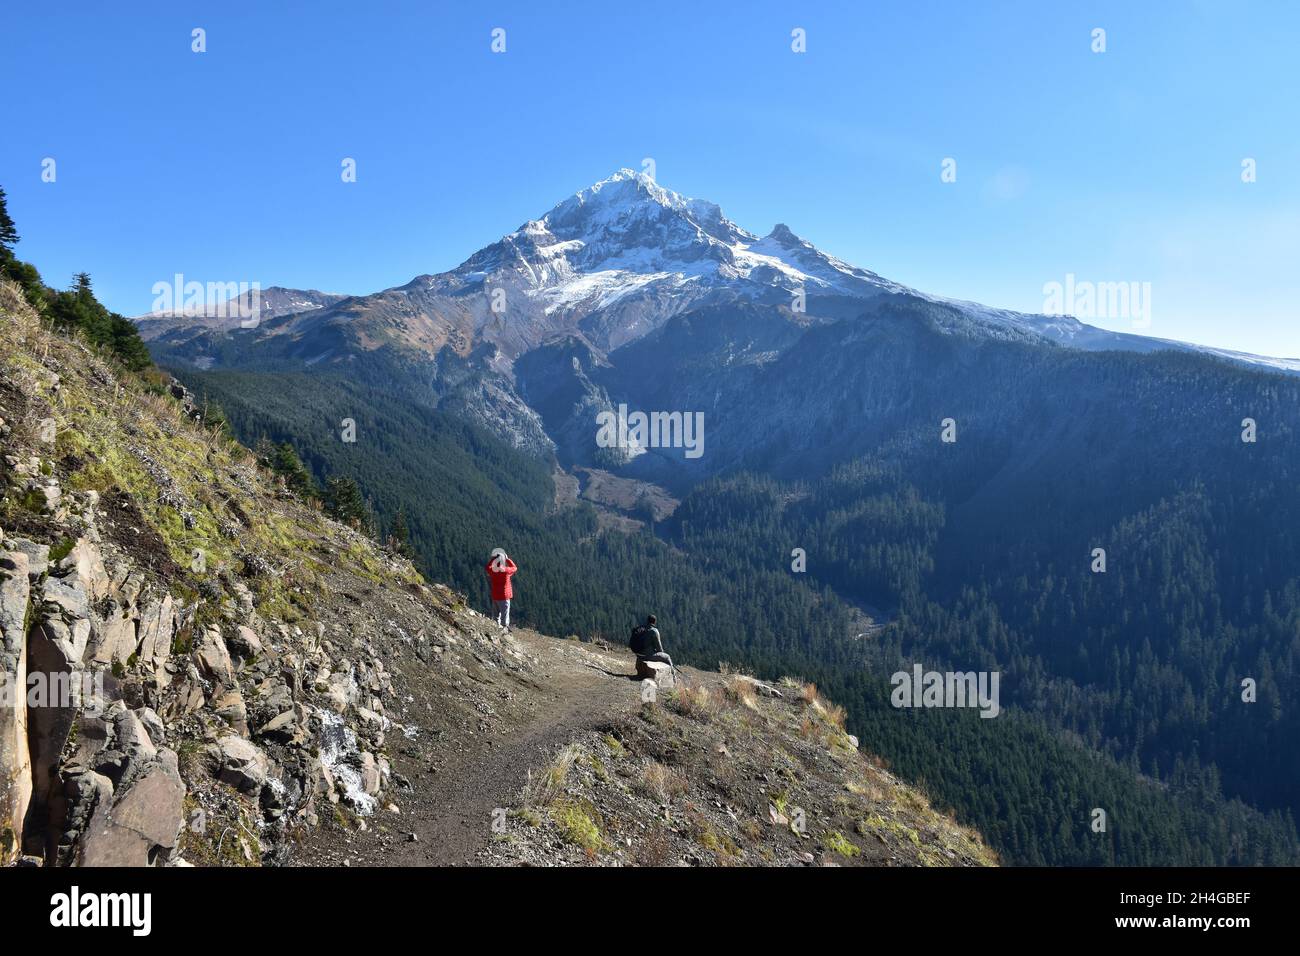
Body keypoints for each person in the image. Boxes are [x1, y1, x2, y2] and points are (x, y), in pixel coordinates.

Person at [485, 549, 517, 630]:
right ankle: (504, 629)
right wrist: (507, 559)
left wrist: (493, 559)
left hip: (495, 595)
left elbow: (487, 567)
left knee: (496, 615)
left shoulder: (493, 570)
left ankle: (496, 629)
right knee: (505, 615)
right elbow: (514, 568)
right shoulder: (506, 570)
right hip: (504, 596)